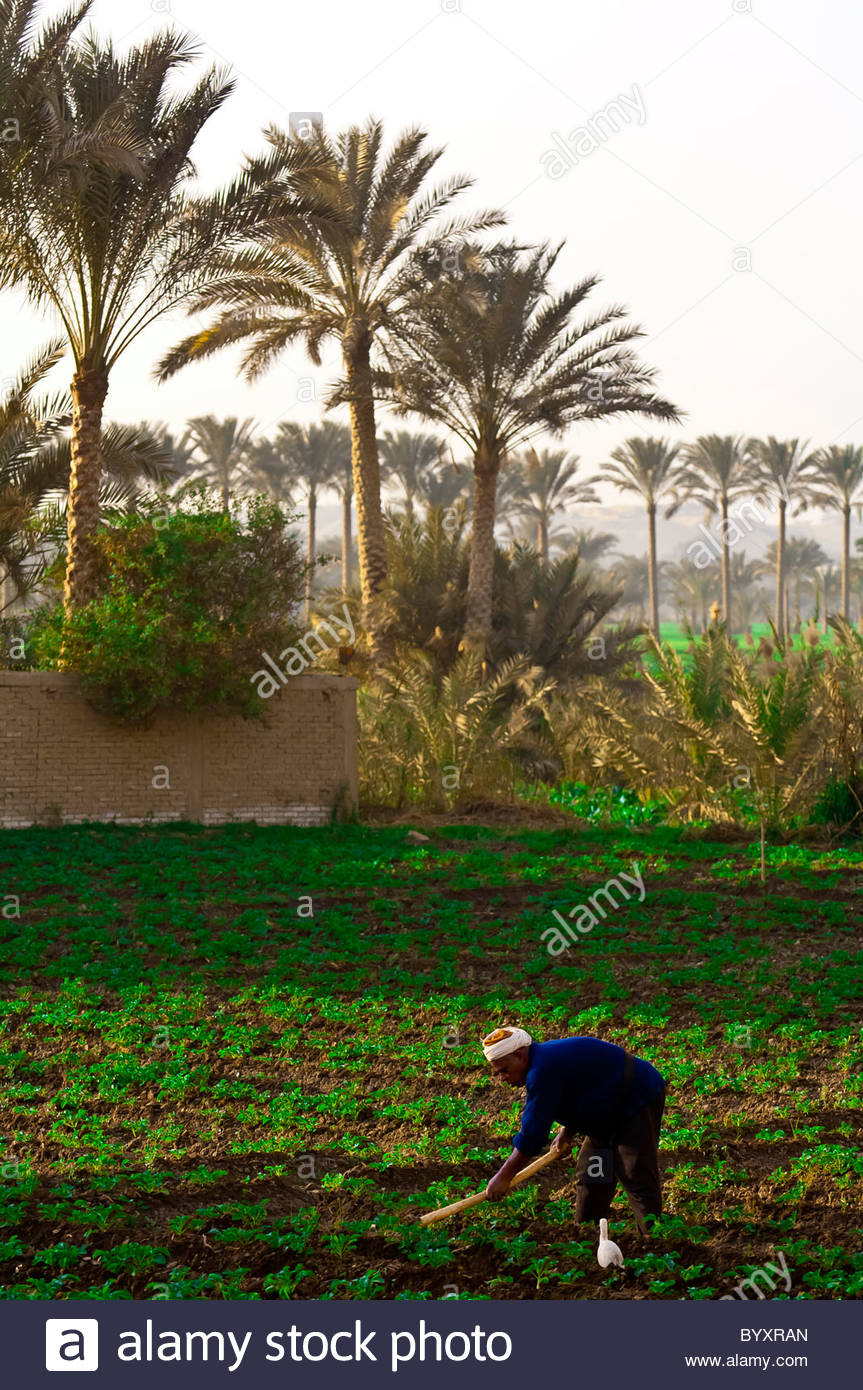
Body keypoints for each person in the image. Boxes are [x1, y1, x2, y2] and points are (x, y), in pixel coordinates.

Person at [482, 1025, 667, 1234]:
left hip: (635, 1100)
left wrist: (504, 1177)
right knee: (593, 1176)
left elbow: (532, 1136)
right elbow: (582, 1091)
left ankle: (655, 1242)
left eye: (504, 1070)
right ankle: (586, 1238)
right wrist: (567, 1131)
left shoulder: (543, 1069)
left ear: (519, 1054)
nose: (502, 1078)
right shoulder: (545, 1061)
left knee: (635, 1173)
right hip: (602, 1113)